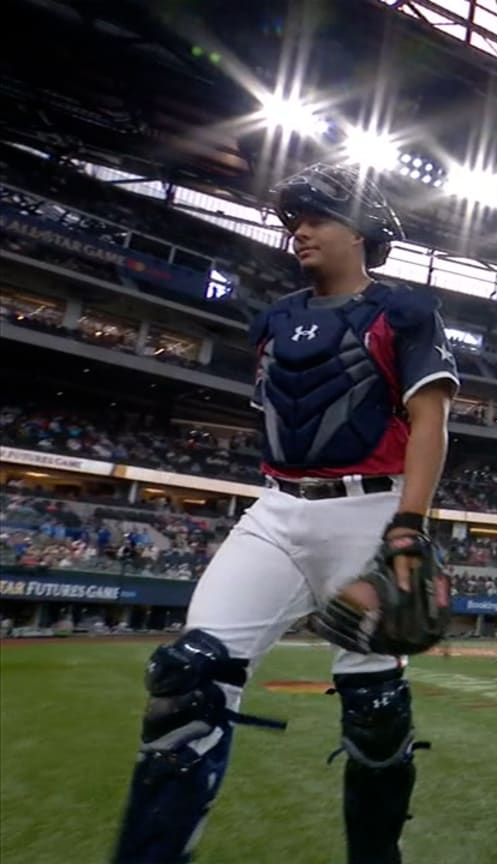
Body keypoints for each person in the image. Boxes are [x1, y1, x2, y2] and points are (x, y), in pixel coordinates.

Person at [112, 162, 459, 864]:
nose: (299, 230)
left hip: (370, 511)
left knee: (375, 707)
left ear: (360, 229)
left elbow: (430, 422)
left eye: (317, 217)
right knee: (187, 679)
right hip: (274, 510)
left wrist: (408, 528)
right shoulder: (272, 320)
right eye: (292, 220)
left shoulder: (405, 312)